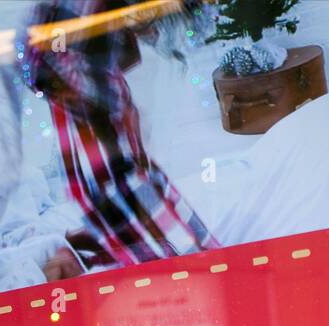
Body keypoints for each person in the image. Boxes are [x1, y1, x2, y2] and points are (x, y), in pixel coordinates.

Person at [23, 0, 219, 277]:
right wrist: (204, 262)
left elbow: (135, 185)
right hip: (76, 72)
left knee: (128, 182)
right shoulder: (86, 87)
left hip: (79, 68)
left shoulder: (97, 82)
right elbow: (120, 187)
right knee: (120, 183)